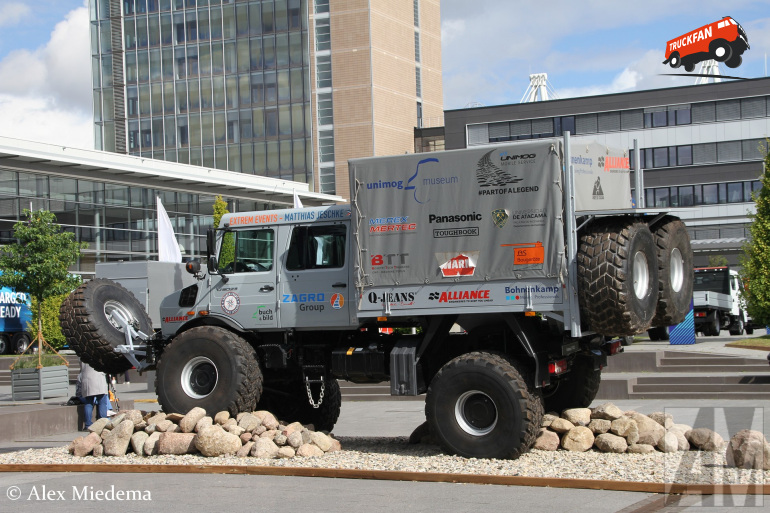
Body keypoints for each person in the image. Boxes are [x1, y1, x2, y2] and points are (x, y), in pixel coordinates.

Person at [76, 362, 110, 430]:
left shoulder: (82, 354)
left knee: (88, 403)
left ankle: (88, 425)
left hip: (87, 379)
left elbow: (81, 365)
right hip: (100, 379)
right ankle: (102, 424)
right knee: (102, 402)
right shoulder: (99, 352)